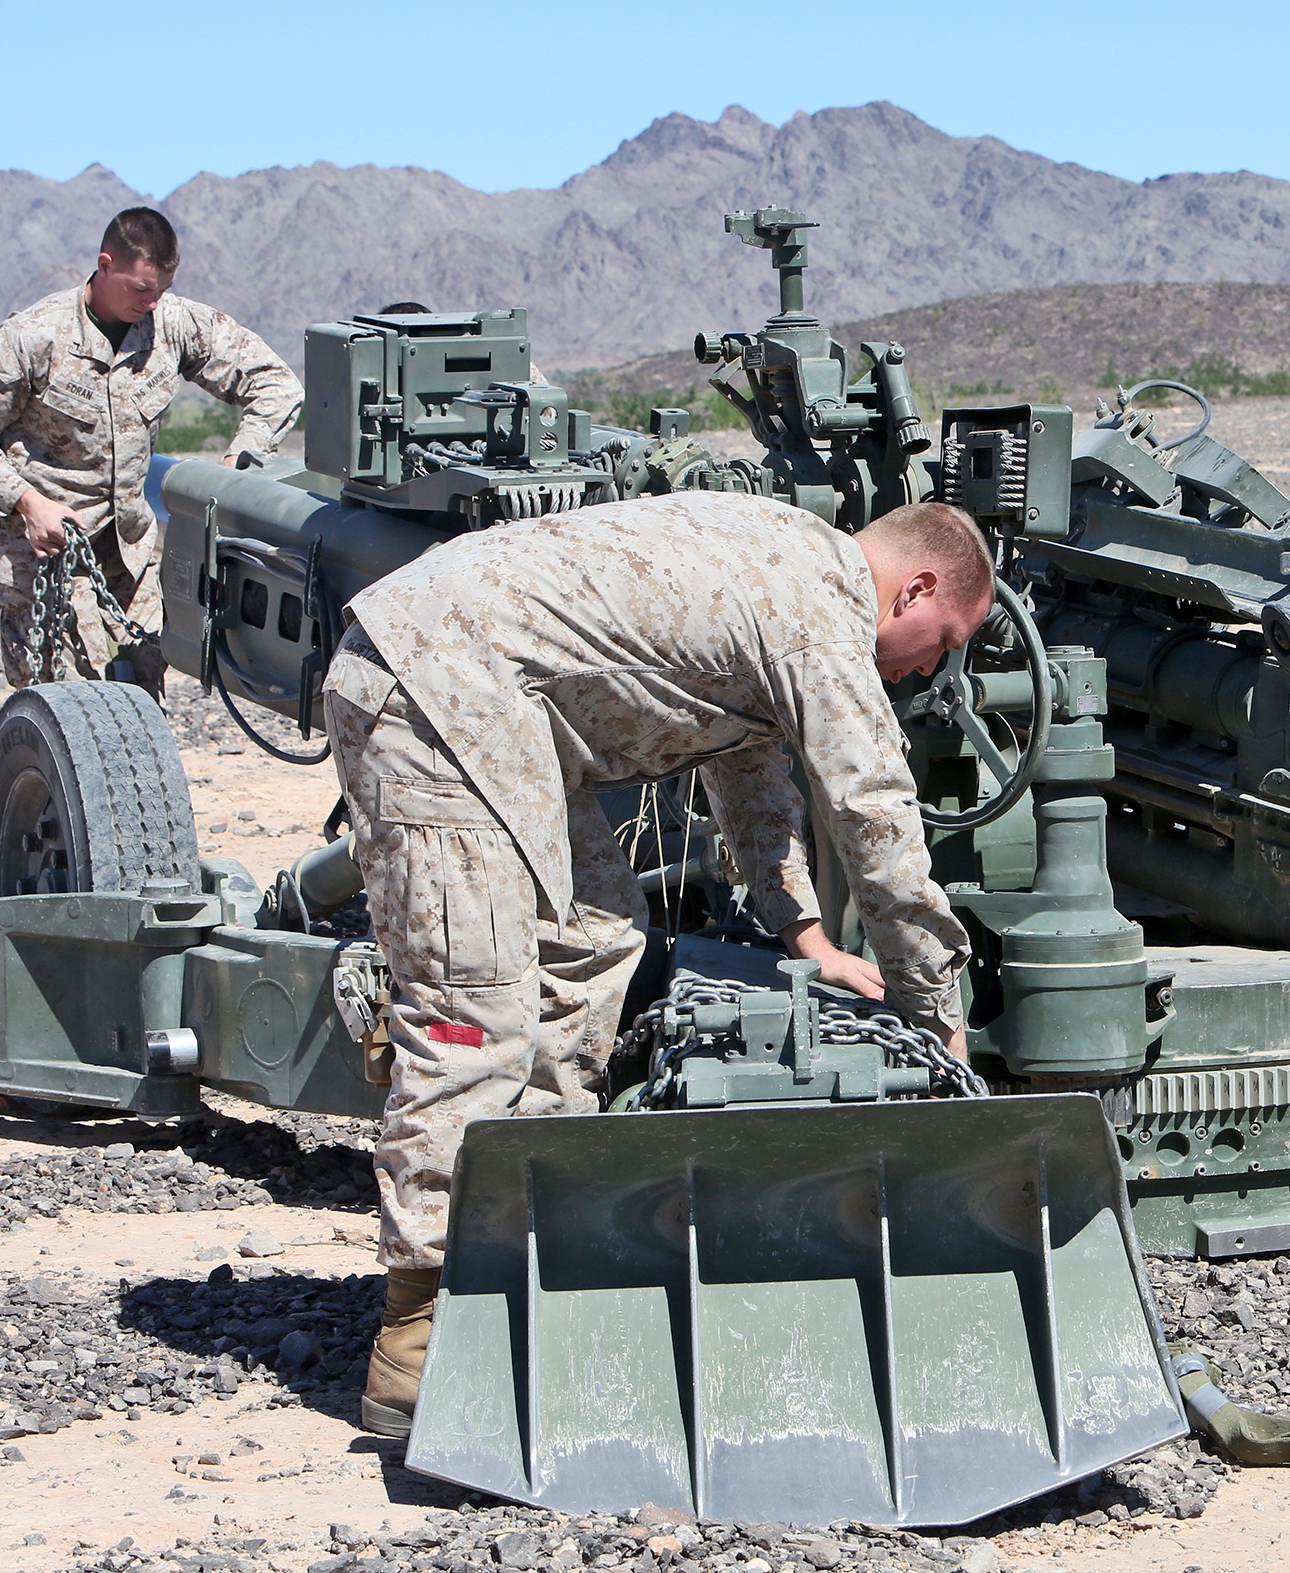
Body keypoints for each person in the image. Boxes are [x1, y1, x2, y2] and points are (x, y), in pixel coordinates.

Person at [321, 490, 993, 1438]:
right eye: (946, 636)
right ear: (914, 587)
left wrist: (802, 930)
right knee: (472, 1010)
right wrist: (936, 1008)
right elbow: (874, 815)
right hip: (433, 691)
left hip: (495, 707)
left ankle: (518, 1247)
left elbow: (748, 766)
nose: (935, 664)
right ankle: (420, 1331)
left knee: (594, 946)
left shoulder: (790, 572)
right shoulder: (822, 616)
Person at [0, 207, 301, 694]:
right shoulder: (30, 337)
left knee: (142, 695)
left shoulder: (173, 324)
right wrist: (29, 503)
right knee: (63, 706)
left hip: (131, 548)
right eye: (140, 289)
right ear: (105, 265)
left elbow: (275, 384)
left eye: (162, 291)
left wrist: (244, 459)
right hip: (45, 548)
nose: (151, 303)